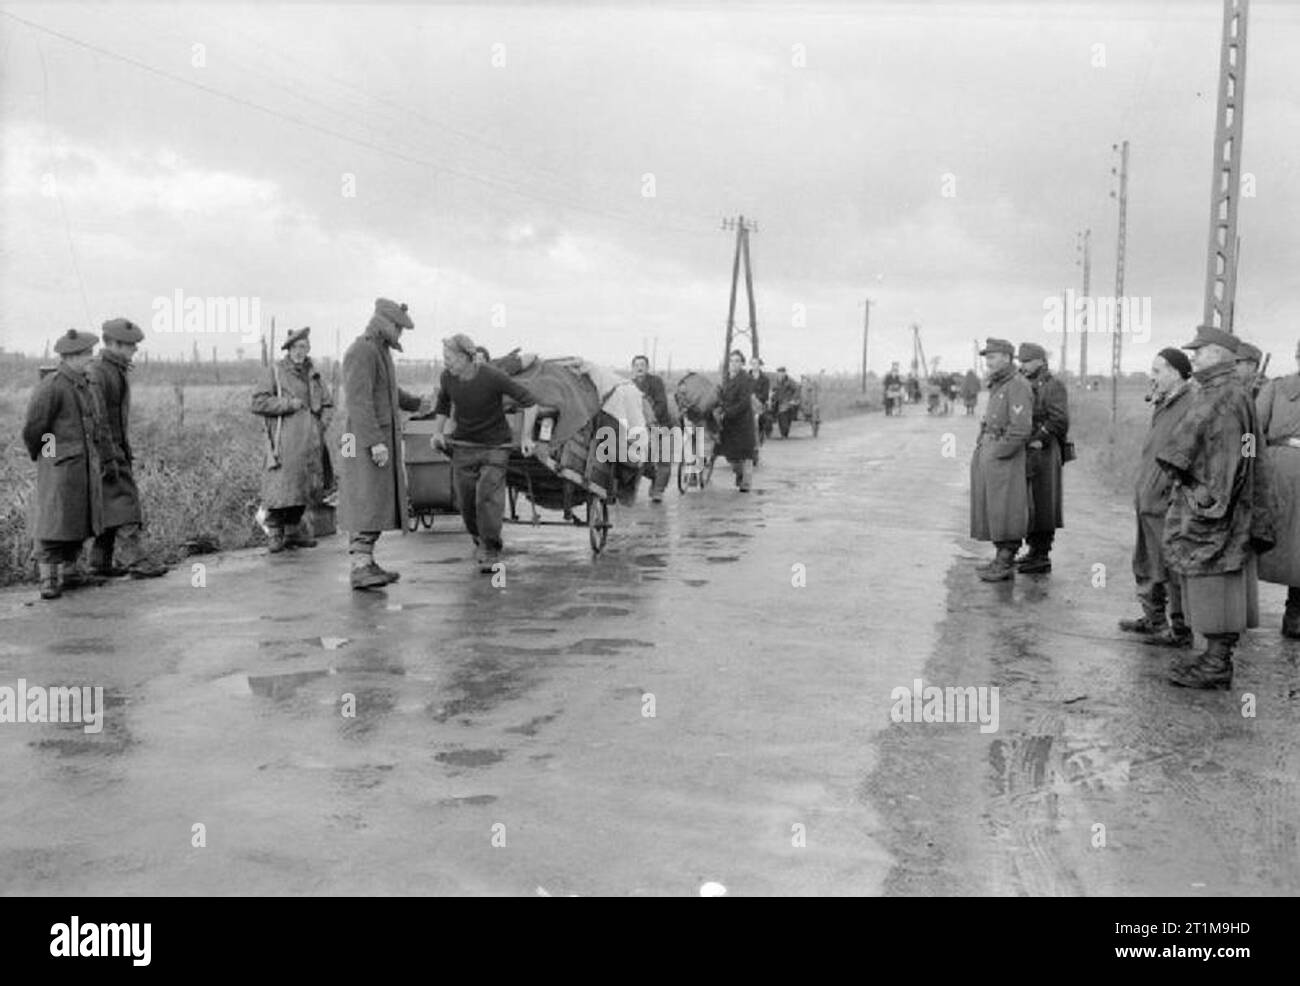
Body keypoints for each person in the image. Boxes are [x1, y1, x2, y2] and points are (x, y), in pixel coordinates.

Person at [1158, 325, 1270, 689]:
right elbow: (1248, 449)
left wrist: (1210, 498)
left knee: (1217, 576)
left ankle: (1217, 664)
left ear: (1220, 354)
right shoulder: (1225, 391)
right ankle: (1213, 657)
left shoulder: (1225, 395)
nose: (1193, 356)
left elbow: (1234, 452)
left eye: (1200, 350)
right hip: (1216, 500)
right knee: (1211, 577)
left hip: (1213, 506)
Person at [338, 298, 427, 590]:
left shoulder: (378, 351)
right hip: (365, 438)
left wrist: (418, 404)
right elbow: (358, 401)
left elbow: (389, 392)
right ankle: (360, 565)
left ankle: (366, 562)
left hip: (373, 437)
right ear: (383, 323)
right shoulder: (363, 351)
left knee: (373, 498)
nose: (400, 334)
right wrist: (375, 442)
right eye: (398, 327)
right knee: (365, 496)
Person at [430, 333, 538, 572]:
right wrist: (437, 433)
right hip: (464, 447)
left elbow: (530, 402)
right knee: (466, 502)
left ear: (466, 357)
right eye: (444, 358)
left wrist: (527, 437)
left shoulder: (492, 376)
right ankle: (480, 538)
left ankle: (491, 549)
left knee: (486, 497)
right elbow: (443, 404)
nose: (445, 362)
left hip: (495, 448)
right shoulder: (448, 378)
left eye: (449, 358)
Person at [22, 330, 113, 599]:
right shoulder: (52, 385)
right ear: (71, 357)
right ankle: (48, 580)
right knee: (53, 523)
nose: (91, 358)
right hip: (61, 467)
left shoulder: (86, 385)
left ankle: (71, 573)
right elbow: (36, 427)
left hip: (84, 466)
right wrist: (50, 456)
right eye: (86, 354)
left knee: (78, 520)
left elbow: (98, 425)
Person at [1118, 348, 1196, 647]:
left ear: (1176, 373)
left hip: (1168, 498)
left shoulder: (1191, 404)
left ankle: (1179, 628)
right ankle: (1153, 619)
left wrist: (1171, 488)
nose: (1152, 377)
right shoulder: (1166, 403)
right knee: (1147, 558)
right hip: (1150, 496)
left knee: (1170, 563)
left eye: (1157, 371)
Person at [84, 317, 166, 579]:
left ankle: (99, 563)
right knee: (126, 503)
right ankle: (137, 561)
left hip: (114, 448)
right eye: (131, 345)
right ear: (115, 344)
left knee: (111, 505)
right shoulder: (99, 371)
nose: (135, 349)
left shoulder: (114, 369)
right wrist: (109, 456)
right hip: (105, 449)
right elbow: (99, 419)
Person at [251, 326, 334, 554]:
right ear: (288, 349)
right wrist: (288, 404)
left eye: (305, 347)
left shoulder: (314, 374)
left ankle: (292, 533)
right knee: (281, 489)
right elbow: (258, 403)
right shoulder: (275, 372)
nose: (301, 351)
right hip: (284, 442)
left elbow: (328, 404)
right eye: (297, 347)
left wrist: (320, 426)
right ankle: (275, 534)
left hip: (310, 443)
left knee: (304, 488)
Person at [969, 338, 1033, 582]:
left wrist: (998, 453)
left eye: (993, 356)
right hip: (992, 451)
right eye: (987, 357)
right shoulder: (1000, 384)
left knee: (1007, 508)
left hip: (1004, 457)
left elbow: (1020, 429)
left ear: (1007, 357)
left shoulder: (1017, 384)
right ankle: (1000, 557)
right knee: (994, 508)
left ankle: (1006, 561)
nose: (988, 361)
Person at [1256, 337, 1300, 638]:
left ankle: (1295, 614)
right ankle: (1231, 611)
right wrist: (1248, 465)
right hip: (1277, 474)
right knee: (1260, 539)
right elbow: (1252, 431)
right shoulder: (1276, 388)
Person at [1015, 343, 1069, 574]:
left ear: (1040, 361)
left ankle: (1042, 554)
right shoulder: (1021, 383)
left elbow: (1059, 420)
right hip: (1027, 449)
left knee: (1044, 502)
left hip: (1045, 450)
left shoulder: (1053, 385)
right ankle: (1032, 551)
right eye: (1021, 361)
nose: (1022, 365)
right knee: (1028, 501)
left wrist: (1039, 438)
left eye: (1027, 361)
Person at [631, 354, 672, 503]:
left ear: (647, 368)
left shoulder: (656, 382)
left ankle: (658, 490)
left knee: (663, 459)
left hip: (660, 424)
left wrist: (650, 419)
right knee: (637, 459)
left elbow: (661, 404)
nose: (639, 367)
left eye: (642, 365)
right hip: (639, 427)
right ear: (633, 369)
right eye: (636, 365)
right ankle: (650, 479)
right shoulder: (630, 385)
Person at [715, 350, 757, 491]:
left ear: (742, 363)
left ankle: (746, 482)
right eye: (732, 361)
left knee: (745, 454)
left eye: (737, 361)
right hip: (729, 422)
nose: (734, 364)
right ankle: (740, 474)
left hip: (742, 422)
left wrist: (728, 412)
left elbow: (744, 402)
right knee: (731, 456)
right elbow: (722, 395)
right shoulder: (727, 378)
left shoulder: (746, 379)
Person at [771, 366, 800, 437]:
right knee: (776, 415)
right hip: (777, 401)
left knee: (784, 417)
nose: (780, 374)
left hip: (787, 402)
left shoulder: (790, 381)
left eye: (782, 373)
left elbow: (797, 389)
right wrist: (772, 395)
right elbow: (773, 390)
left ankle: (784, 432)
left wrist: (793, 399)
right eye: (779, 373)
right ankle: (782, 432)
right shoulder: (775, 381)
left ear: (784, 373)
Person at [750, 358, 772, 440]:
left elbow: (765, 394)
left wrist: (756, 397)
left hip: (760, 403)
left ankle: (760, 432)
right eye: (752, 364)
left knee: (760, 417)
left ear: (760, 365)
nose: (754, 366)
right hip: (748, 402)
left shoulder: (765, 379)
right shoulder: (746, 378)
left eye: (756, 364)